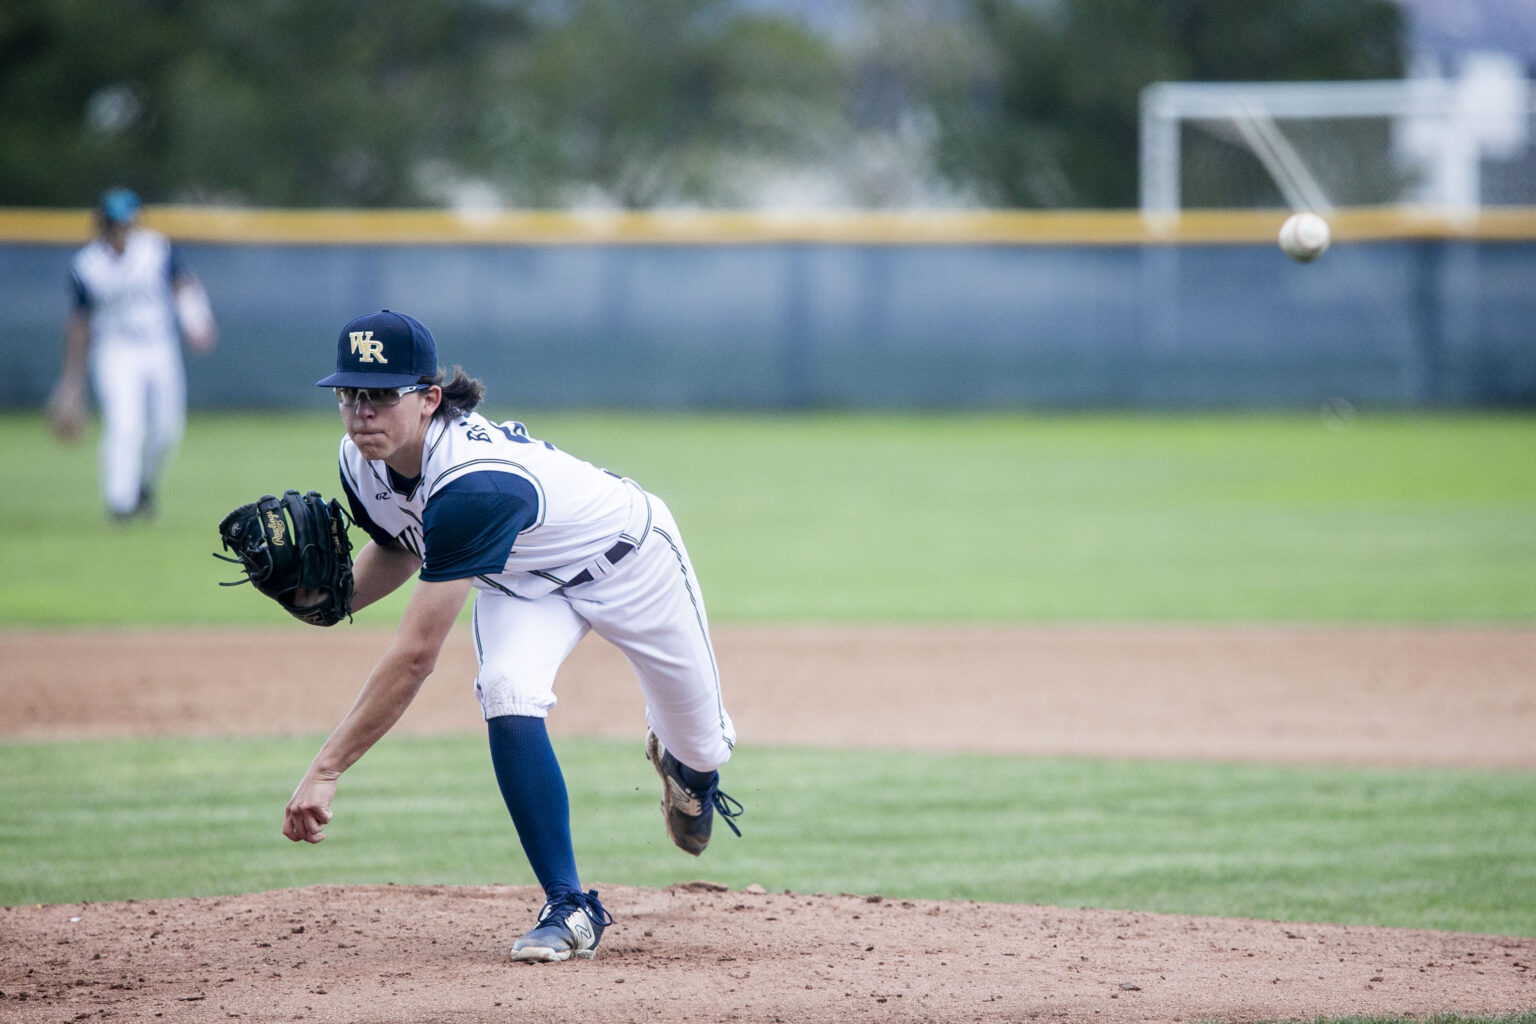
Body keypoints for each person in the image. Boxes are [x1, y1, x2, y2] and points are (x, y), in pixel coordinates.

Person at [281, 309, 741, 963]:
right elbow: (404, 546)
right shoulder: (360, 462)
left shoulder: (472, 483)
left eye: (381, 395)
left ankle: (687, 774)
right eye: (349, 394)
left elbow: (414, 658)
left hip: (631, 560)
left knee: (701, 748)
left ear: (429, 398)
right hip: (520, 583)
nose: (361, 412)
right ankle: (569, 905)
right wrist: (328, 601)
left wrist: (326, 768)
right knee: (505, 687)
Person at [47, 187, 217, 522]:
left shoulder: (155, 248)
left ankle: (144, 487)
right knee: (125, 425)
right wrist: (71, 382)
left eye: (129, 222)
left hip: (159, 345)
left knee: (168, 428)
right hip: (115, 349)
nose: (124, 230)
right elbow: (79, 323)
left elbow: (182, 285)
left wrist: (197, 320)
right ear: (104, 224)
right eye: (117, 223)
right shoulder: (87, 264)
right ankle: (120, 504)